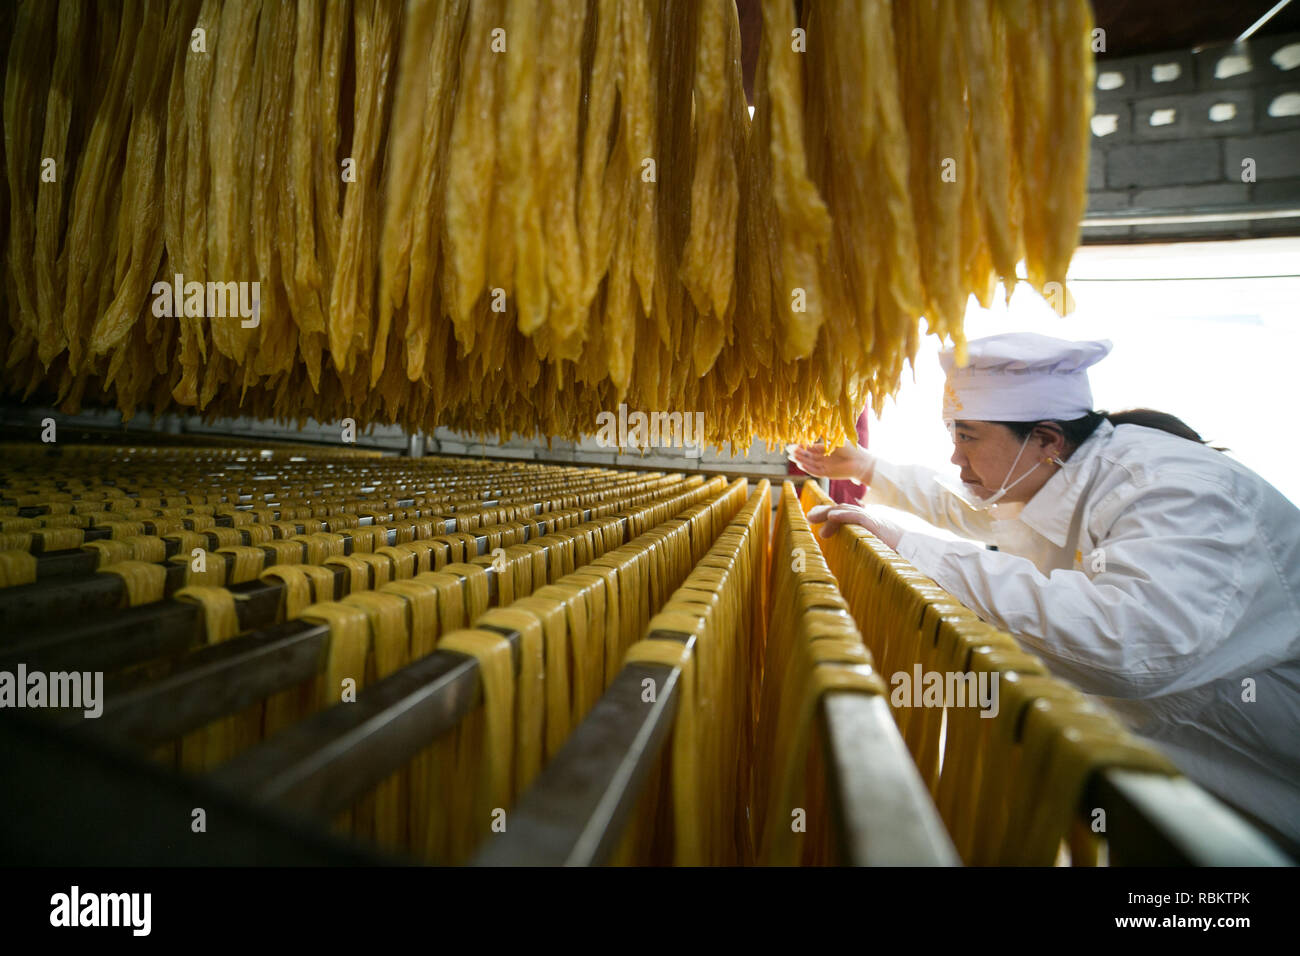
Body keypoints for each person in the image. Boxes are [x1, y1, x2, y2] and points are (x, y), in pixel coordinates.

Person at [791, 332, 1300, 848]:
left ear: (1048, 439)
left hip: (1263, 757)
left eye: (967, 437)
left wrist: (915, 549)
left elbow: (1134, 641)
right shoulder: (1056, 472)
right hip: (1177, 759)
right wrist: (865, 468)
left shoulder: (1176, 490)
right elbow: (974, 510)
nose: (954, 457)